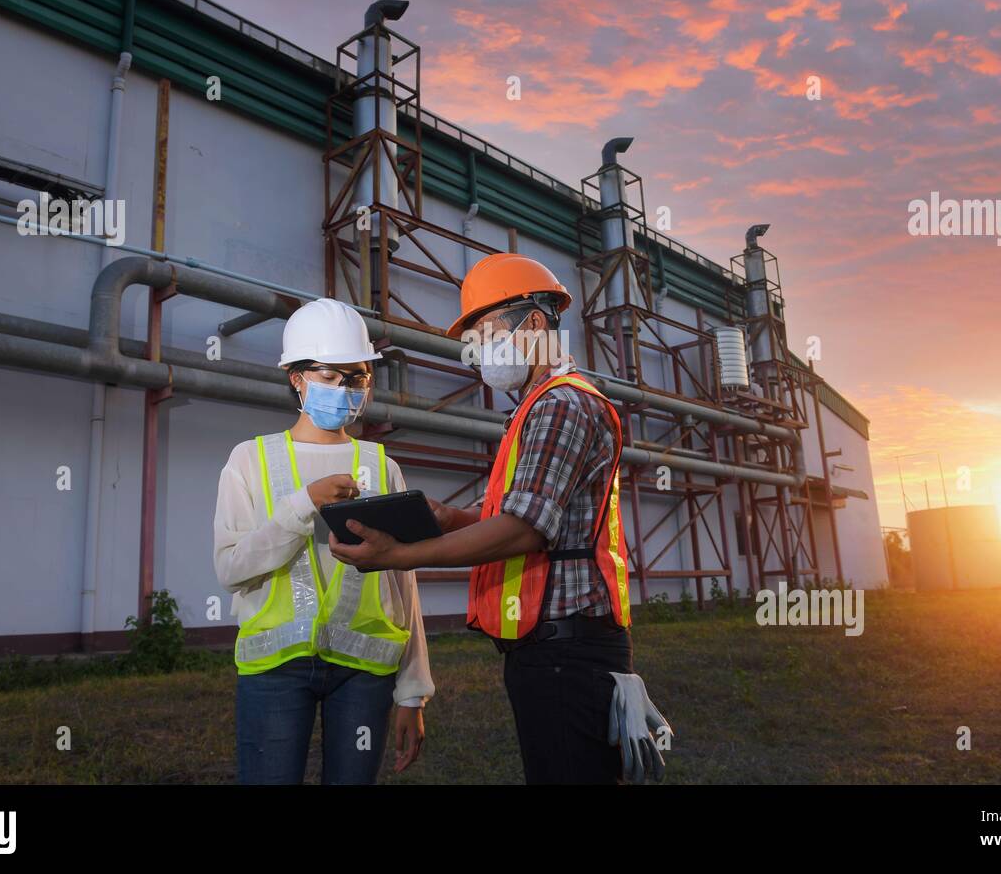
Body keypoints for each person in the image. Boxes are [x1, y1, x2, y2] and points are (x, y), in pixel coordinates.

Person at [329, 253, 669, 784]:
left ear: (534, 323)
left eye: (486, 333)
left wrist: (400, 556)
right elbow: (524, 514)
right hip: (555, 649)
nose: (479, 352)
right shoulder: (536, 406)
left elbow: (523, 529)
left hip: (567, 653)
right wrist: (452, 519)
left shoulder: (560, 405)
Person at [213, 297, 433, 784]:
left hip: (365, 671)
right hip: (275, 668)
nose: (345, 388)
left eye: (356, 377)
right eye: (328, 376)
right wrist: (303, 503)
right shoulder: (250, 460)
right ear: (296, 377)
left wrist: (413, 692)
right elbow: (230, 568)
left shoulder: (382, 466)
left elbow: (404, 581)